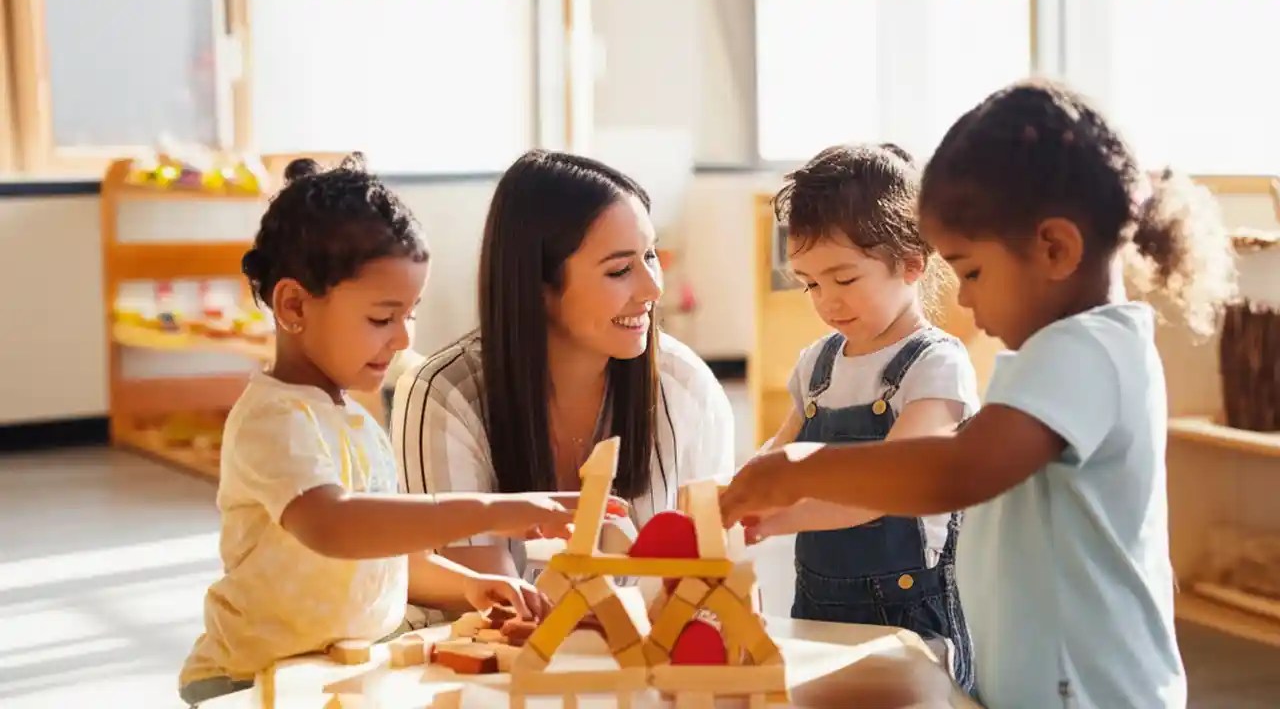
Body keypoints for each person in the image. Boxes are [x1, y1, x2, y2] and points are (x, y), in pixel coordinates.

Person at [720, 79, 1236, 708]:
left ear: (1055, 249)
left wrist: (800, 469)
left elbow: (954, 471)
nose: (963, 297)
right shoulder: (1062, 353)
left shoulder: (1085, 350)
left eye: (972, 271)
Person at [179, 155, 573, 706]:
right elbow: (335, 526)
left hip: (339, 669)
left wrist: (467, 583)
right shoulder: (275, 420)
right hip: (250, 679)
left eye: (410, 314)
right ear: (293, 305)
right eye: (382, 318)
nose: (404, 338)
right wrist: (491, 511)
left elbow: (386, 555)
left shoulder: (358, 422)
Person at [391, 149, 735, 604]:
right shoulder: (445, 396)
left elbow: (706, 583)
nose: (653, 288)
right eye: (620, 269)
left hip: (641, 648)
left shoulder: (684, 385)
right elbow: (496, 606)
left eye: (650, 255)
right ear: (537, 284)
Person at [751, 143, 976, 691]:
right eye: (810, 283)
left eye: (845, 279)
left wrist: (778, 517)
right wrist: (732, 494)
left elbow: (889, 485)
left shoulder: (936, 366)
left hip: (909, 619)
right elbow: (777, 453)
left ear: (912, 261)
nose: (827, 301)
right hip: (817, 607)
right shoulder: (818, 365)